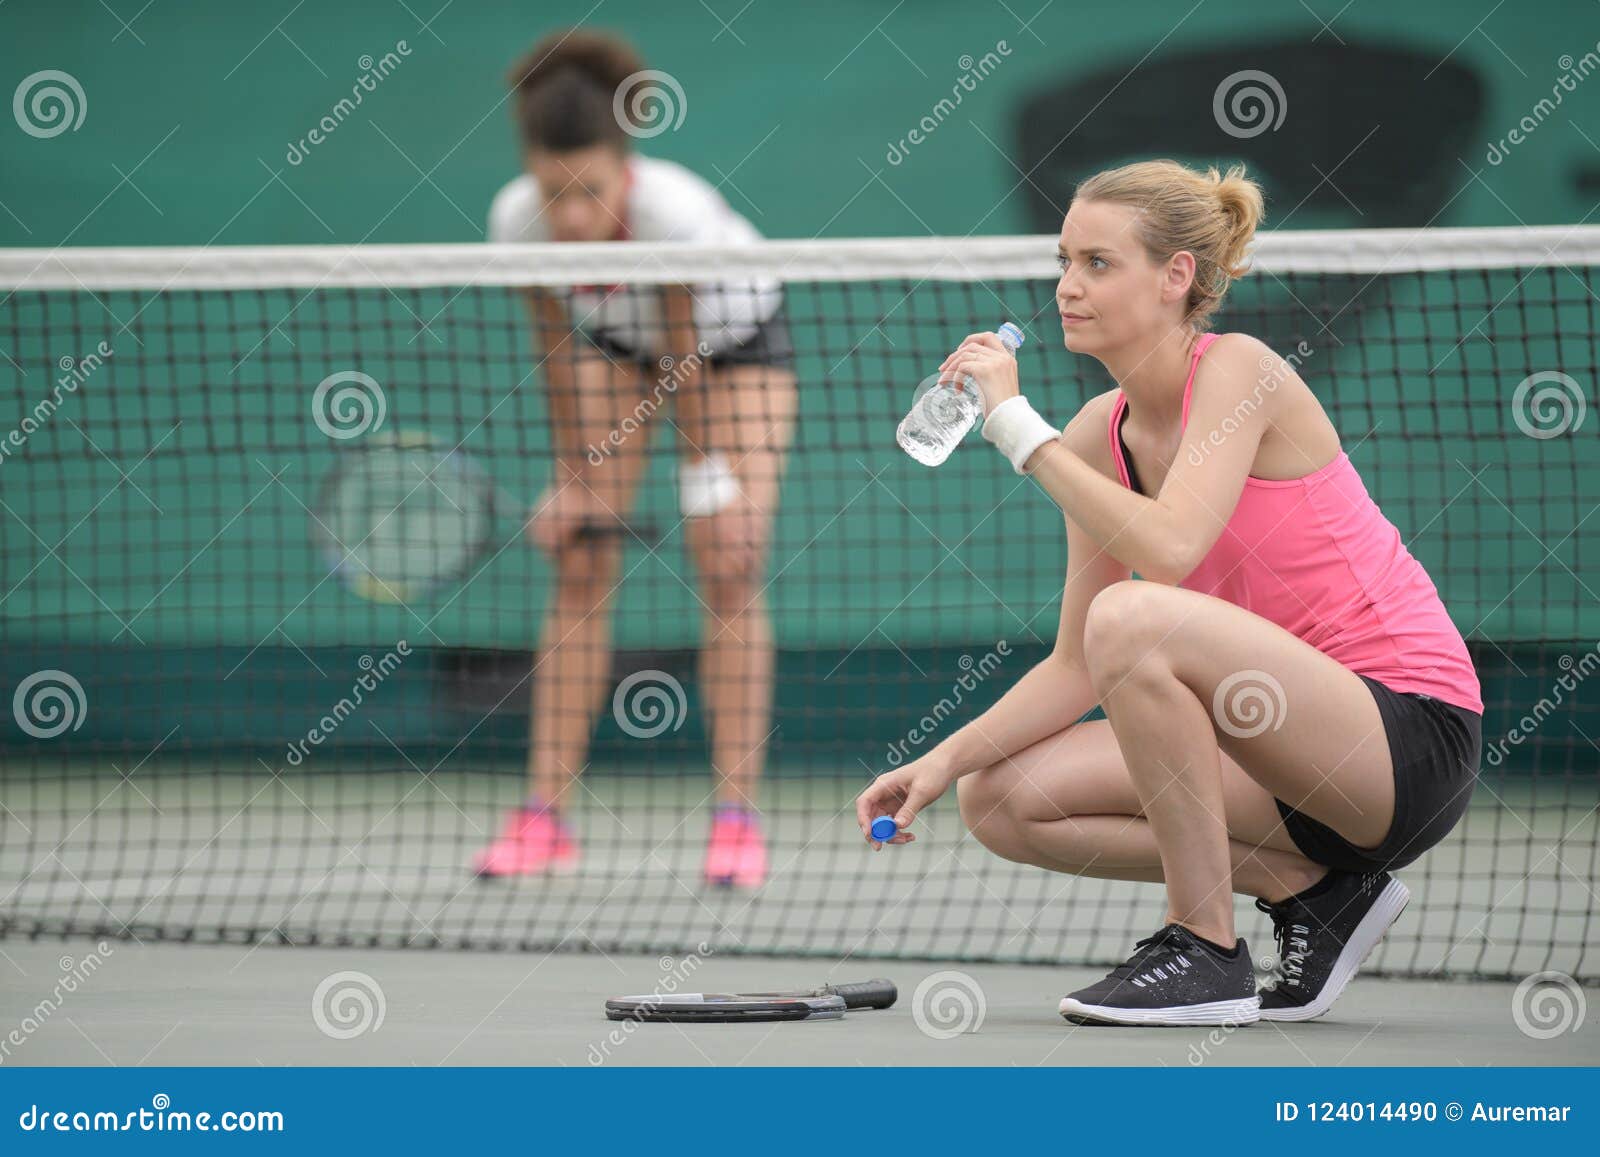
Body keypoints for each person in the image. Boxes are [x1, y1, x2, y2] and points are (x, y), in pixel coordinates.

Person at [855, 160, 1483, 1025]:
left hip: (1404, 740)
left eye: (1098, 263)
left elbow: (1172, 544)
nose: (1068, 287)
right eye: (1064, 260)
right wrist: (940, 759)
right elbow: (1077, 665)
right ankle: (1316, 894)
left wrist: (1012, 424)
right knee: (996, 799)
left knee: (1133, 614)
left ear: (1176, 275)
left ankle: (1205, 950)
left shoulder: (1241, 372)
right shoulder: (1092, 434)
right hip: (1276, 767)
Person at [474, 29, 798, 888]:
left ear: (624, 165)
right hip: (619, 353)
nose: (572, 216)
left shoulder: (672, 215)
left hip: (734, 352)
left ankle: (735, 820)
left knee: (728, 563)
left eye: (589, 191)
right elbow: (554, 352)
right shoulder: (517, 223)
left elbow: (686, 360)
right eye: (555, 192)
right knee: (582, 560)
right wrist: (572, 481)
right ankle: (543, 816)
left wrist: (713, 486)